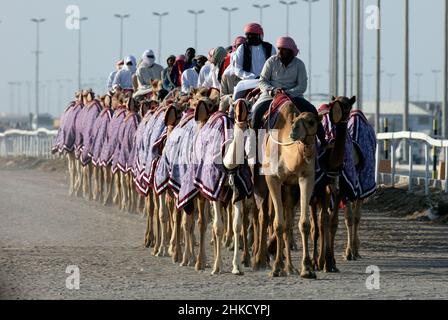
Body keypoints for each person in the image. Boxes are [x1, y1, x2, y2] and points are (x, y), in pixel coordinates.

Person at [249, 36, 326, 145]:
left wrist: (288, 92)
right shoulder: (271, 61)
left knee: (312, 111)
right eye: (279, 49)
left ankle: (323, 142)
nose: (280, 52)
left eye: (284, 49)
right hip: (271, 96)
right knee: (256, 113)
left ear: (290, 51)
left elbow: (302, 86)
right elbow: (262, 81)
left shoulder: (299, 64)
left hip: (293, 97)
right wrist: (273, 90)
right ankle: (253, 145)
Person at [233, 23, 276, 99]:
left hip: (267, 81)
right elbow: (237, 70)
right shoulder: (242, 48)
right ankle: (232, 110)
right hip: (249, 81)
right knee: (237, 92)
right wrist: (253, 76)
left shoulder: (270, 48)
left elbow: (275, 67)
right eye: (248, 35)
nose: (249, 37)